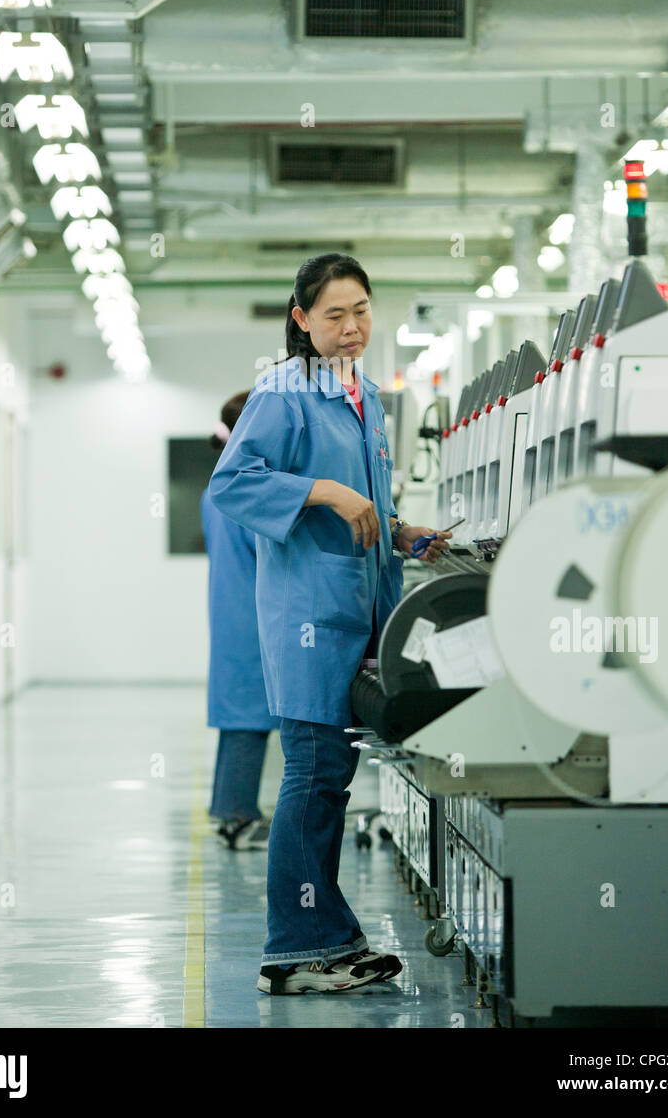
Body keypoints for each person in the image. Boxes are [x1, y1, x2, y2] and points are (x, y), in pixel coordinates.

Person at [209, 253, 451, 994]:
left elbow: (367, 494)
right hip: (311, 618)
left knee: (330, 782)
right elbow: (234, 482)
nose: (351, 329)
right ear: (302, 319)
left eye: (362, 312)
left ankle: (328, 938)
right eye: (334, 315)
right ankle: (295, 950)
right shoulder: (285, 392)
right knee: (313, 778)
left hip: (360, 611)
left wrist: (405, 531)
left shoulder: (365, 396)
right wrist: (322, 491)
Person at [201, 391, 279, 850]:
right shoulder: (244, 488)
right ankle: (237, 816)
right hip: (251, 615)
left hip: (234, 611)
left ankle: (231, 809)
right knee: (248, 717)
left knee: (240, 718)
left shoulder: (221, 483)